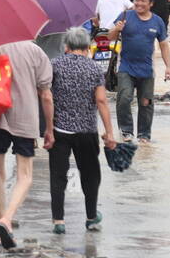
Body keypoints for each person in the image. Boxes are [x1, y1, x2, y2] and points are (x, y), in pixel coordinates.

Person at [45, 26, 117, 234]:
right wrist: (109, 132)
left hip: (61, 129)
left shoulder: (55, 65)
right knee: (90, 174)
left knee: (58, 176)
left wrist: (48, 128)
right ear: (87, 47)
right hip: (87, 130)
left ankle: (59, 221)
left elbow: (47, 97)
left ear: (66, 46)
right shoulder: (94, 68)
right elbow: (102, 100)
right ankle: (91, 217)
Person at [0, 39, 53, 249]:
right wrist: (49, 128)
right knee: (25, 175)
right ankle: (7, 219)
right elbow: (46, 94)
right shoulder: (35, 51)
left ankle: (1, 225)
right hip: (25, 119)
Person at [109, 0, 170, 142]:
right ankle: (126, 131)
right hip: (126, 67)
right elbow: (109, 37)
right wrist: (116, 29)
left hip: (146, 69)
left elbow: (164, 45)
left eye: (143, 1)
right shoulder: (125, 16)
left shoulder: (157, 21)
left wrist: (168, 67)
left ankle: (144, 135)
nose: (138, 3)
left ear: (150, 3)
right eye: (137, 0)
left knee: (146, 103)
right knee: (124, 98)